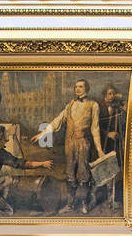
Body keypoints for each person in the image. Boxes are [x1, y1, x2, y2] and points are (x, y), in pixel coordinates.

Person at [34, 79, 105, 214]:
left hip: (83, 144)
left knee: (84, 174)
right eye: (76, 87)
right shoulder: (70, 105)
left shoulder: (93, 105)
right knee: (70, 174)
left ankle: (84, 203)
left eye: (80, 87)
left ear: (87, 89)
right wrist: (42, 134)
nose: (77, 89)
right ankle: (70, 204)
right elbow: (57, 121)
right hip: (69, 144)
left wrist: (100, 150)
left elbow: (95, 128)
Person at [98, 84, 126, 207]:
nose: (112, 96)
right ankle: (98, 197)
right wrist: (107, 133)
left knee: (114, 169)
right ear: (105, 94)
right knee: (103, 170)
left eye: (113, 94)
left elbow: (122, 124)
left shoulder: (116, 108)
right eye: (109, 93)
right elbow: (94, 126)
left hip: (114, 143)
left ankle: (112, 198)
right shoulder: (98, 106)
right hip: (102, 143)